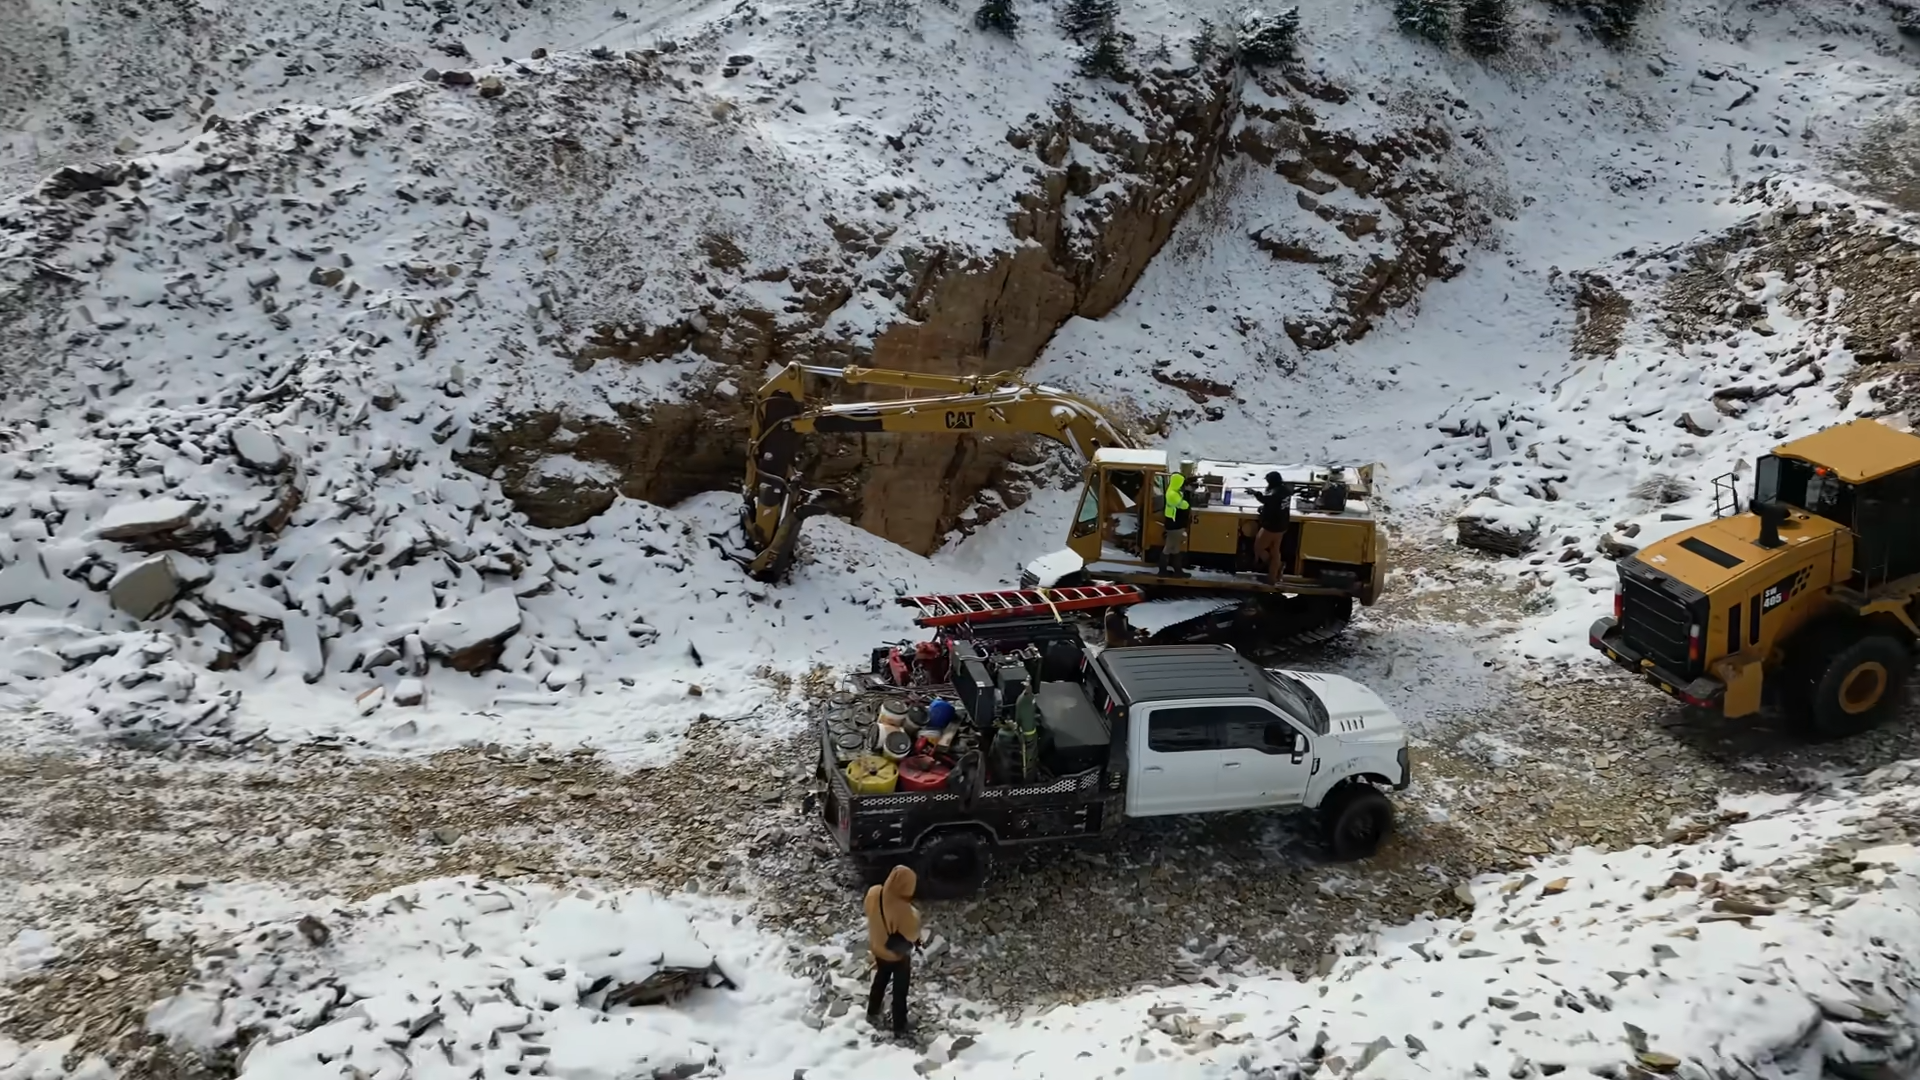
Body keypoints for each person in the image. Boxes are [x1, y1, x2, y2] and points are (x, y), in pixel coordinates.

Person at [864, 864, 922, 1038]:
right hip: (896, 956)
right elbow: (912, 934)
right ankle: (899, 1024)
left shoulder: (874, 892)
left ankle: (873, 1010)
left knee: (881, 978)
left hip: (877, 947)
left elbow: (868, 910)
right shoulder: (903, 910)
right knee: (899, 989)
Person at [1252, 471, 1292, 585]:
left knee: (1258, 548)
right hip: (1282, 525)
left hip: (1272, 526)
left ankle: (1277, 567)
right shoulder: (1285, 491)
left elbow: (1266, 499)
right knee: (1275, 550)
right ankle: (1272, 577)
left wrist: (1255, 493)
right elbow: (1276, 505)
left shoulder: (1275, 492)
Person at [1159, 469, 1192, 577]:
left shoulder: (1173, 491)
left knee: (1174, 548)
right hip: (1174, 524)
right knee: (1169, 548)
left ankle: (1177, 571)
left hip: (1175, 524)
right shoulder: (1172, 494)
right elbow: (1184, 505)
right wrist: (1187, 492)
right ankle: (1164, 571)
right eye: (1182, 482)